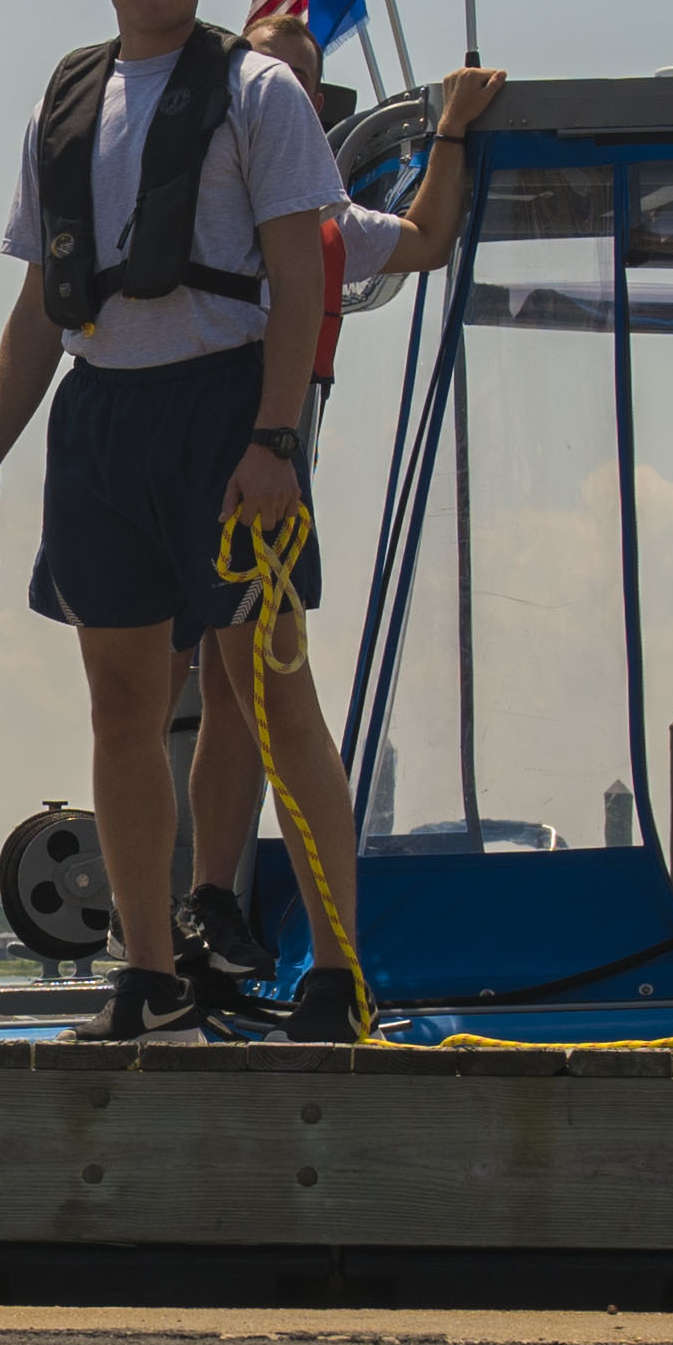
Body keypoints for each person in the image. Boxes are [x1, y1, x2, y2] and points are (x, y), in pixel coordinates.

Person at [0, 0, 360, 1042]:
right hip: (102, 415)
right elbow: (40, 298)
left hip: (225, 409)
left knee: (271, 694)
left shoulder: (260, 92)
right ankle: (150, 971)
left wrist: (276, 436)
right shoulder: (66, 100)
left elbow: (297, 277)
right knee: (122, 703)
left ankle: (337, 969)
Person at [175, 54, 506, 988]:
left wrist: (446, 132)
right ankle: (202, 906)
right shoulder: (208, 195)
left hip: (275, 446)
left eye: (298, 80)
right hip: (186, 432)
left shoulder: (324, 220)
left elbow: (425, 238)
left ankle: (283, 934)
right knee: (203, 677)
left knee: (252, 683)